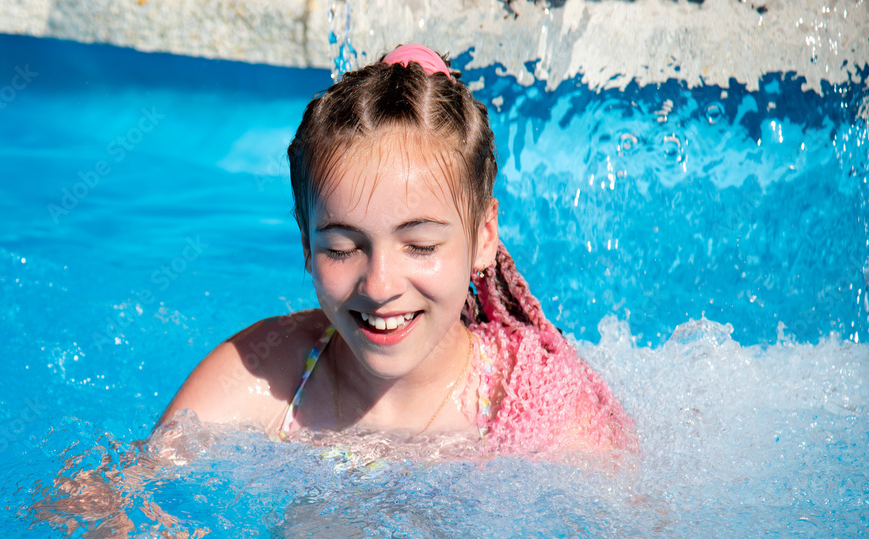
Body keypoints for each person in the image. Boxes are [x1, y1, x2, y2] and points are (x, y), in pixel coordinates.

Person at [157, 44, 637, 462]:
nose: (380, 285)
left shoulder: (546, 411)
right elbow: (133, 507)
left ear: (484, 237)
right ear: (306, 245)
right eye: (342, 248)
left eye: (420, 246)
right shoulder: (264, 379)